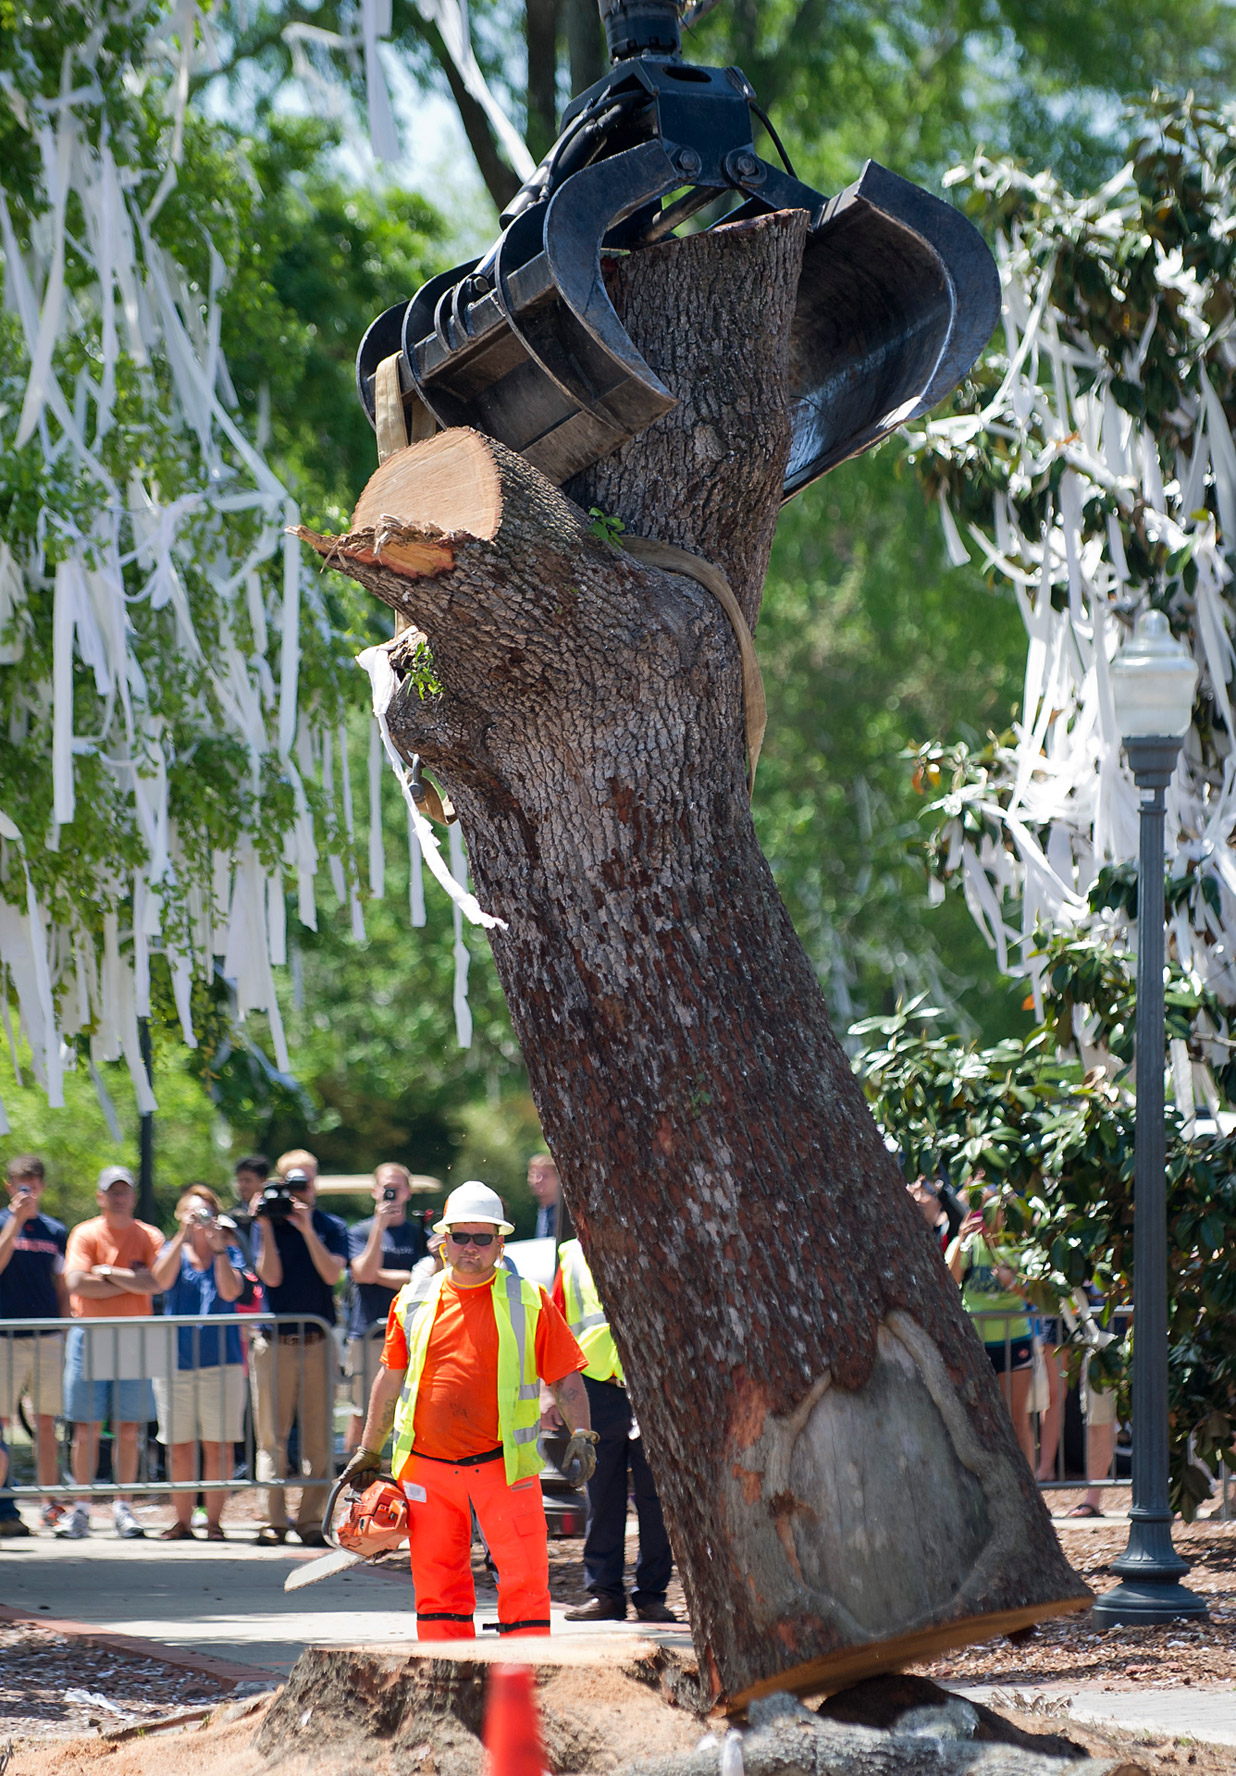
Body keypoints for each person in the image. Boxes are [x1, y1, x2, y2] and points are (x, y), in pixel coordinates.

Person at [344, 1179, 597, 1640]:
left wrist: (582, 1433)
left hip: (504, 1466)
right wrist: (368, 1450)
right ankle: (446, 1683)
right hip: (428, 1469)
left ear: (500, 1244)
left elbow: (565, 1377)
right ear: (443, 1242)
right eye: (461, 1236)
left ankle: (525, 1687)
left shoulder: (530, 1300)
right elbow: (390, 1379)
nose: (471, 1248)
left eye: (483, 1238)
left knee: (524, 1580)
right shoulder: (414, 1301)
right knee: (438, 1584)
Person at [553, 1238, 676, 1623]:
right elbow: (554, 1327)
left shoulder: (657, 1238)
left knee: (657, 1500)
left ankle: (651, 1596)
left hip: (654, 1385)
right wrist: (550, 1392)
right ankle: (605, 1595)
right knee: (601, 1494)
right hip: (595, 1388)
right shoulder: (572, 1256)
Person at [58, 1166, 161, 1540]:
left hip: (134, 1335)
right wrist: (130, 1282)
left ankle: (124, 1506)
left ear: (132, 1196)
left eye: (124, 1191)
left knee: (129, 1429)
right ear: (100, 1196)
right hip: (91, 1334)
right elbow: (76, 1283)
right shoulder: (84, 1233)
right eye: (111, 1191)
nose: (119, 1197)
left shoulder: (149, 1235)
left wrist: (105, 1273)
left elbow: (158, 1282)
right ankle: (81, 1507)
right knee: (84, 1428)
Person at [251, 1156, 347, 1546]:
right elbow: (269, 1276)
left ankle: (310, 1522)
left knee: (318, 1439)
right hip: (276, 1345)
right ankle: (273, 1522)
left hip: (317, 1343)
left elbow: (332, 1275)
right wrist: (266, 1228)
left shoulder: (331, 1226)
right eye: (291, 1186)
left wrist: (307, 1229)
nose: (298, 1193)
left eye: (304, 1185)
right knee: (272, 1439)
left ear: (315, 1184)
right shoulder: (268, 1224)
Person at [149, 1187, 247, 1540]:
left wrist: (218, 1247)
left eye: (204, 1213)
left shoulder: (228, 1250)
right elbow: (159, 1281)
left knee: (218, 1445)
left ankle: (215, 1522)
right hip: (175, 1362)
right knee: (178, 1445)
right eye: (191, 1213)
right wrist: (181, 1236)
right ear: (179, 1216)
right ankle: (183, 1521)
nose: (198, 1220)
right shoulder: (172, 1250)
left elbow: (230, 1292)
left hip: (222, 1362)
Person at [0, 1154, 69, 1531]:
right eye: (20, 1183)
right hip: (5, 1337)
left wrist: (64, 1325)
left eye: (34, 1183)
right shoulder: (2, 1222)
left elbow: (61, 1284)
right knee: (1, 1421)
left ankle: (51, 1504)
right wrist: (15, 1220)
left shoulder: (55, 1231)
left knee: (46, 1422)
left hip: (46, 1339)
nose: (28, 1190)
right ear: (10, 1186)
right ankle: (4, 1509)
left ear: (42, 1186)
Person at [947, 1186, 1036, 1467]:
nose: (983, 1217)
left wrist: (1011, 1280)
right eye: (978, 1210)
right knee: (975, 1421)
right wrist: (961, 1240)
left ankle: (1030, 1494)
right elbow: (948, 1281)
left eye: (990, 1209)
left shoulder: (1019, 1247)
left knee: (1016, 1421)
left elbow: (1036, 1293)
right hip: (975, 1344)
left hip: (1014, 1342)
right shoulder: (968, 1244)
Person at [344, 1164, 427, 1454]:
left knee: (411, 1411)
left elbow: (424, 1278)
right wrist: (378, 1227)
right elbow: (364, 1272)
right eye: (385, 1188)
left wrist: (376, 1275)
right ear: (374, 1191)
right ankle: (356, 1480)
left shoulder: (419, 1233)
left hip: (410, 1333)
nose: (391, 1194)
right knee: (363, 1412)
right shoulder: (360, 1231)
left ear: (408, 1191)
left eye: (397, 1188)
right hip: (368, 1334)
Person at [220, 1154, 269, 1269]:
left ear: (263, 1180)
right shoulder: (232, 1218)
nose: (242, 1186)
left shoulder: (277, 1212)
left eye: (248, 1180)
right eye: (239, 1180)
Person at [527, 1154, 565, 1242]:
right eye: (533, 1175)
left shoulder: (563, 1213)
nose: (537, 1181)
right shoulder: (543, 1210)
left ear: (558, 1179)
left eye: (544, 1176)